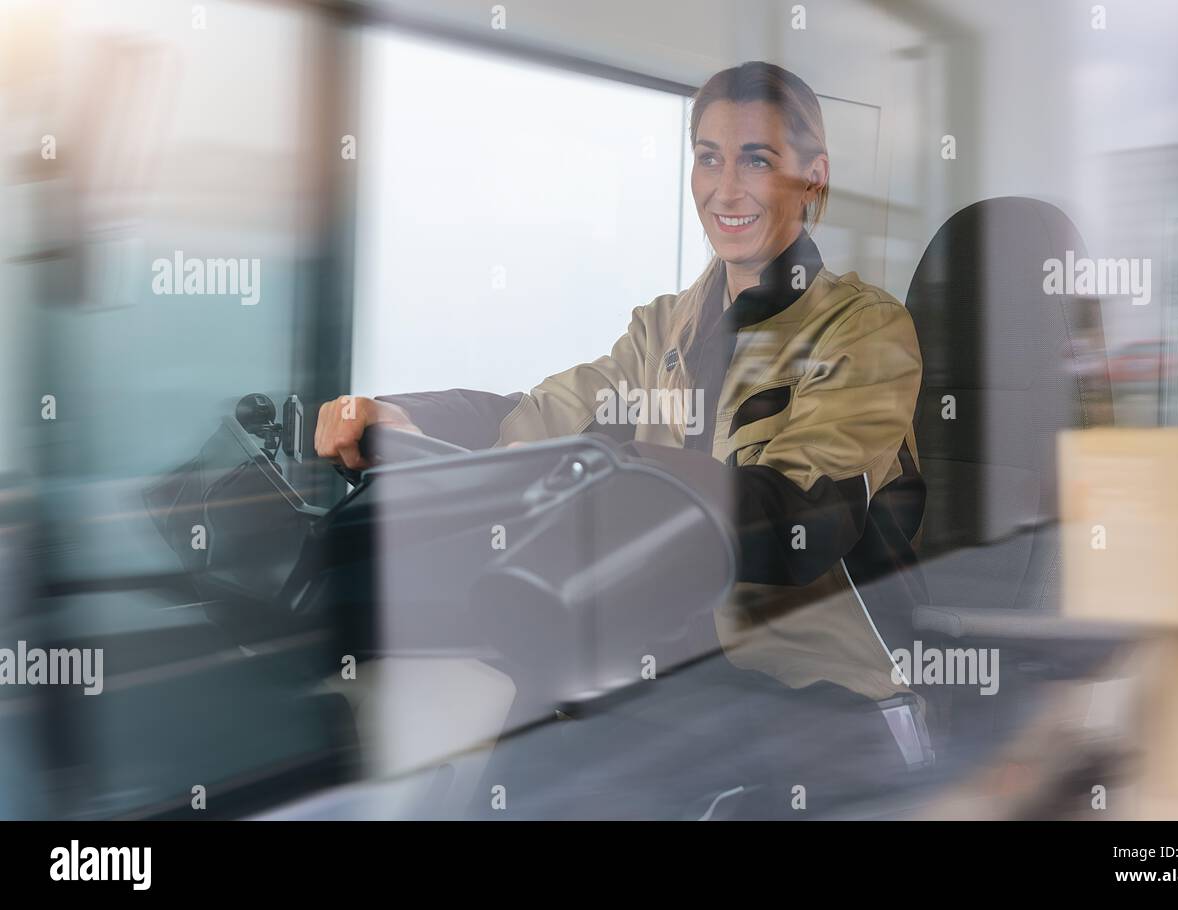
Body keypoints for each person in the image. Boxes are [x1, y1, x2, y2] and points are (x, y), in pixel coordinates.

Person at [316, 61, 926, 818]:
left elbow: (801, 520)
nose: (725, 188)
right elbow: (544, 414)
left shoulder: (865, 329)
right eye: (707, 156)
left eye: (757, 160)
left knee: (571, 783)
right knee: (512, 759)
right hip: (669, 664)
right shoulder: (664, 326)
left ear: (813, 179)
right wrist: (406, 417)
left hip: (818, 699)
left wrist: (631, 473)